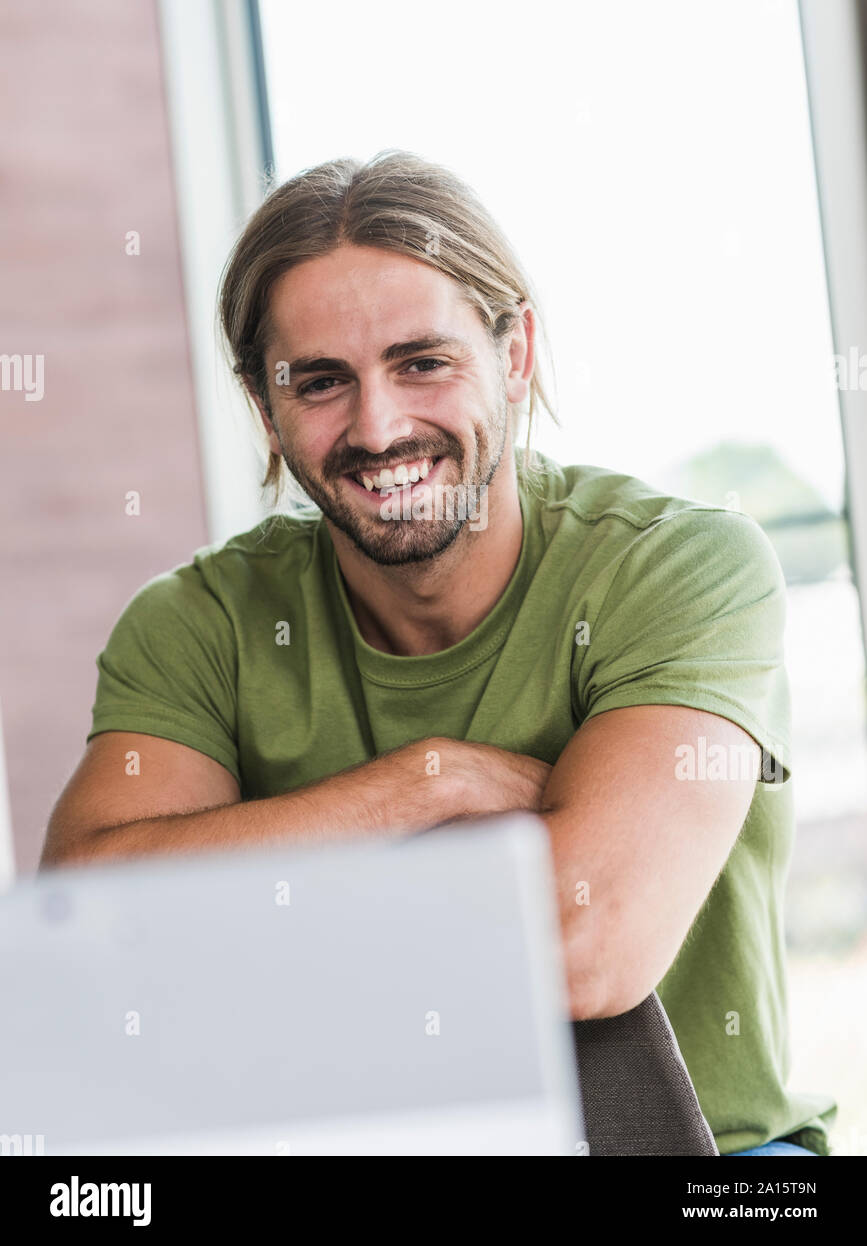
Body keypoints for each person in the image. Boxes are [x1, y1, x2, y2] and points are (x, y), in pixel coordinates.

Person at [41, 149, 836, 1156]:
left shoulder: (683, 567)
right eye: (322, 382)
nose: (377, 426)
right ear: (265, 410)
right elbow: (83, 926)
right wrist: (427, 782)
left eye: (422, 362)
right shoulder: (198, 620)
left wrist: (221, 926)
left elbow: (583, 944)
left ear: (515, 354)